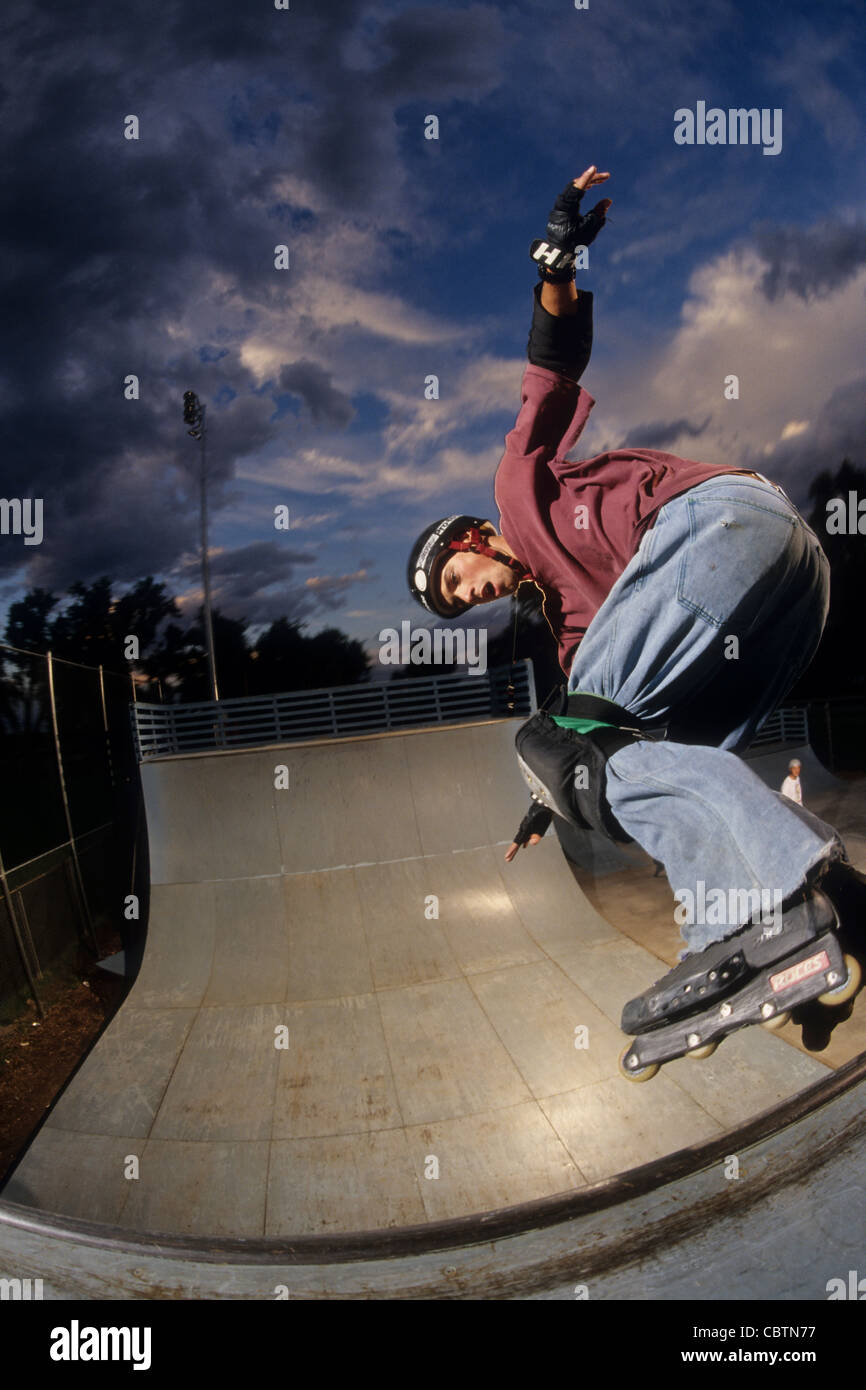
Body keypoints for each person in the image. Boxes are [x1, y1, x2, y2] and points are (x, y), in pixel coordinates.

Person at [406, 164, 863, 1071]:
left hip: (724, 527)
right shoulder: (583, 642)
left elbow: (548, 370)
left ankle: (751, 917)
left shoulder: (518, 490)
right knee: (636, 762)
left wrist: (556, 260)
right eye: (457, 606)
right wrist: (548, 812)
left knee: (565, 741)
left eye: (458, 579)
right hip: (793, 598)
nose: (471, 597)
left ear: (476, 537)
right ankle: (808, 906)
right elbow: (603, 749)